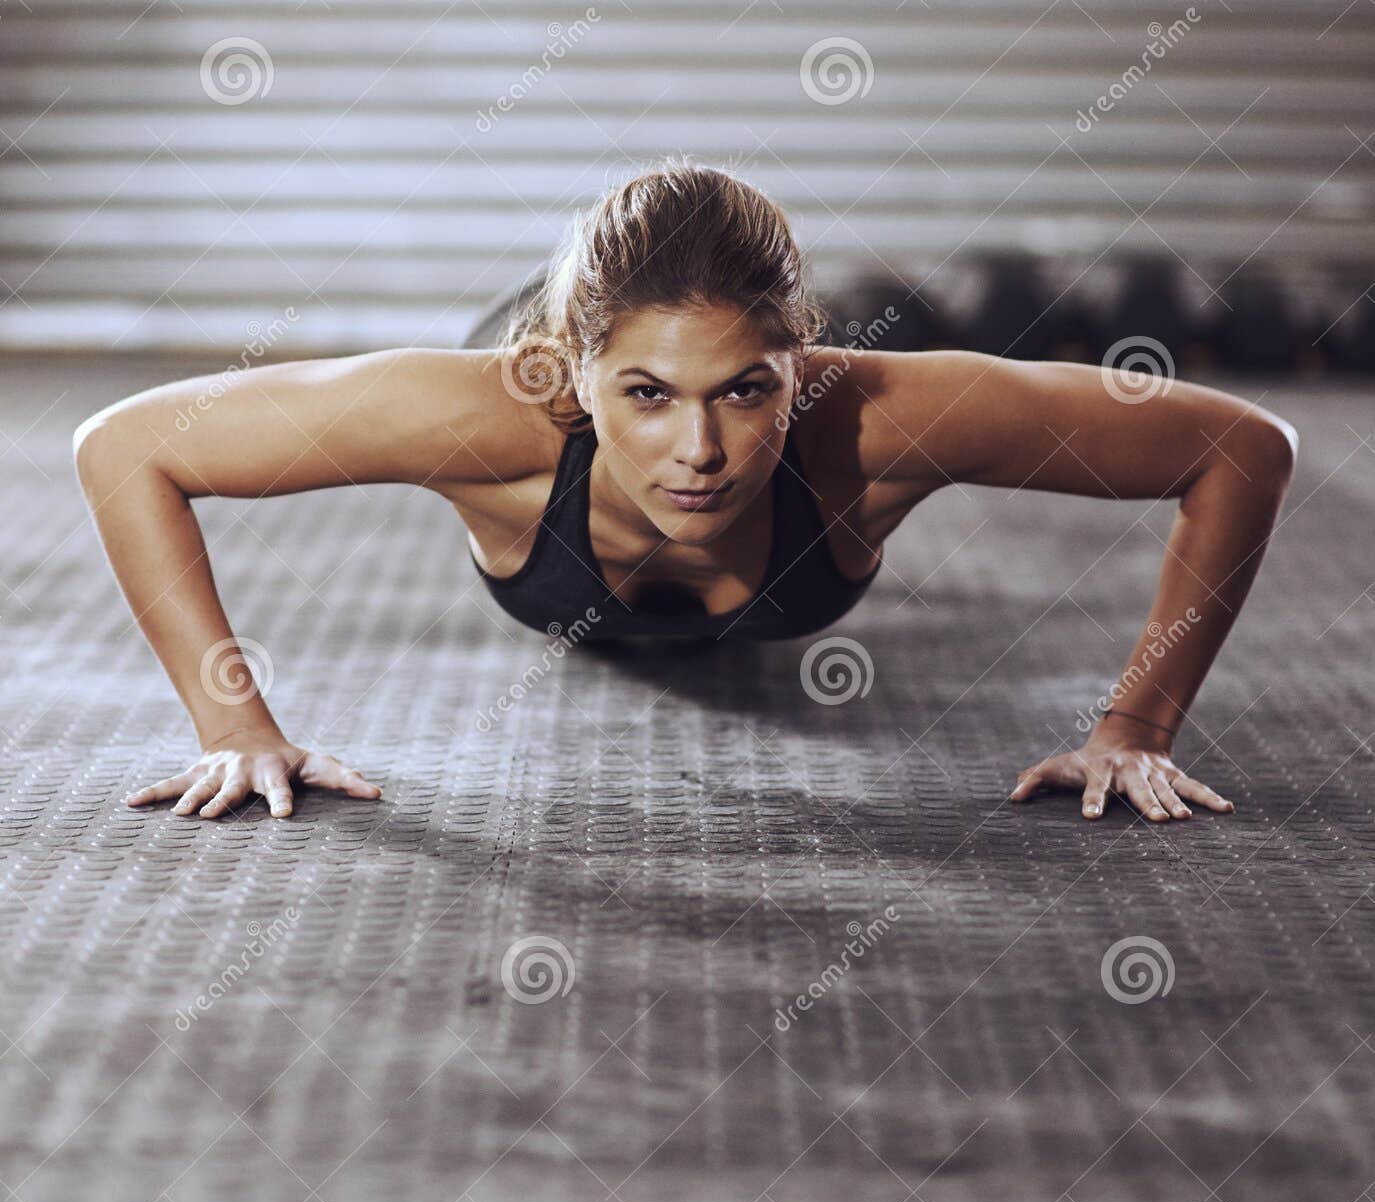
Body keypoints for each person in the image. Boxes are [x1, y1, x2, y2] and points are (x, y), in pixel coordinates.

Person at [72, 158, 1297, 825]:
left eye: (747, 392)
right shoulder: (489, 412)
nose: (699, 450)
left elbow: (1240, 447)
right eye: (649, 396)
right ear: (578, 378)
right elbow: (127, 447)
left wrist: (1135, 729)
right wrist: (236, 728)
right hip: (534, 344)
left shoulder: (876, 415)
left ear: (800, 361)